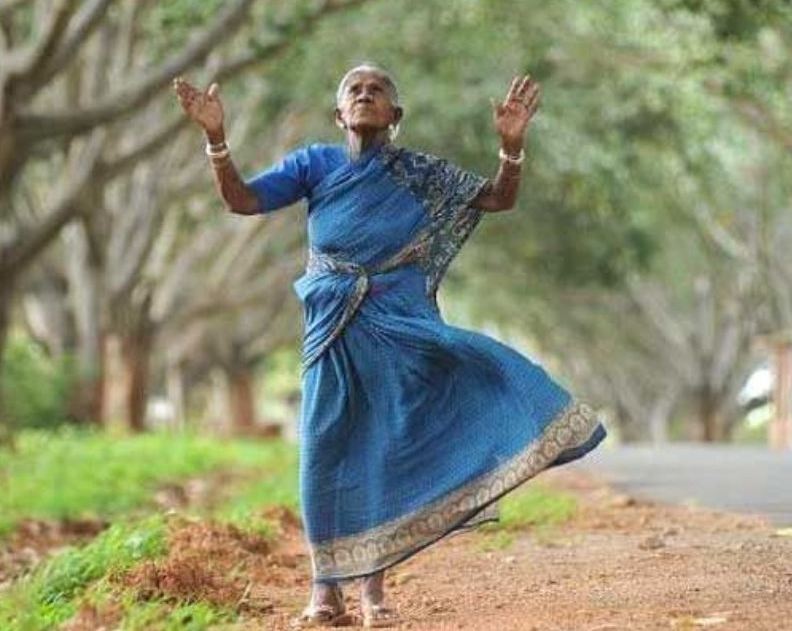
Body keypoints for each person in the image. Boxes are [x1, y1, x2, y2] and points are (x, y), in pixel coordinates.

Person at [173, 64, 607, 628]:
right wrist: (216, 138)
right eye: (354, 90)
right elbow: (243, 201)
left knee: (383, 444)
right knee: (325, 448)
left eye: (377, 90)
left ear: (395, 117)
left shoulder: (419, 172)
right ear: (338, 114)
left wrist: (512, 149)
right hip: (331, 325)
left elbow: (497, 200)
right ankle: (324, 590)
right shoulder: (315, 164)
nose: (365, 94)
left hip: (401, 324)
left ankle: (374, 591)